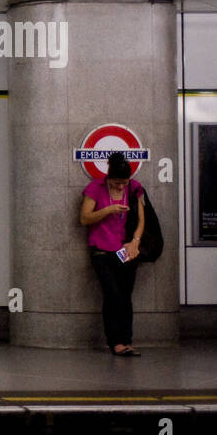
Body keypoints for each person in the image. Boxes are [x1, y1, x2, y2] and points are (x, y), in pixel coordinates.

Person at [79, 151, 145, 357]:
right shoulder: (95, 188)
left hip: (126, 250)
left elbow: (142, 220)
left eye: (124, 183)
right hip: (102, 251)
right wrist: (108, 210)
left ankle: (127, 340)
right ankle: (115, 342)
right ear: (109, 177)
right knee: (112, 294)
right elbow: (84, 218)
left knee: (125, 296)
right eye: (116, 182)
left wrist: (135, 242)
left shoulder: (135, 188)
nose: (120, 187)